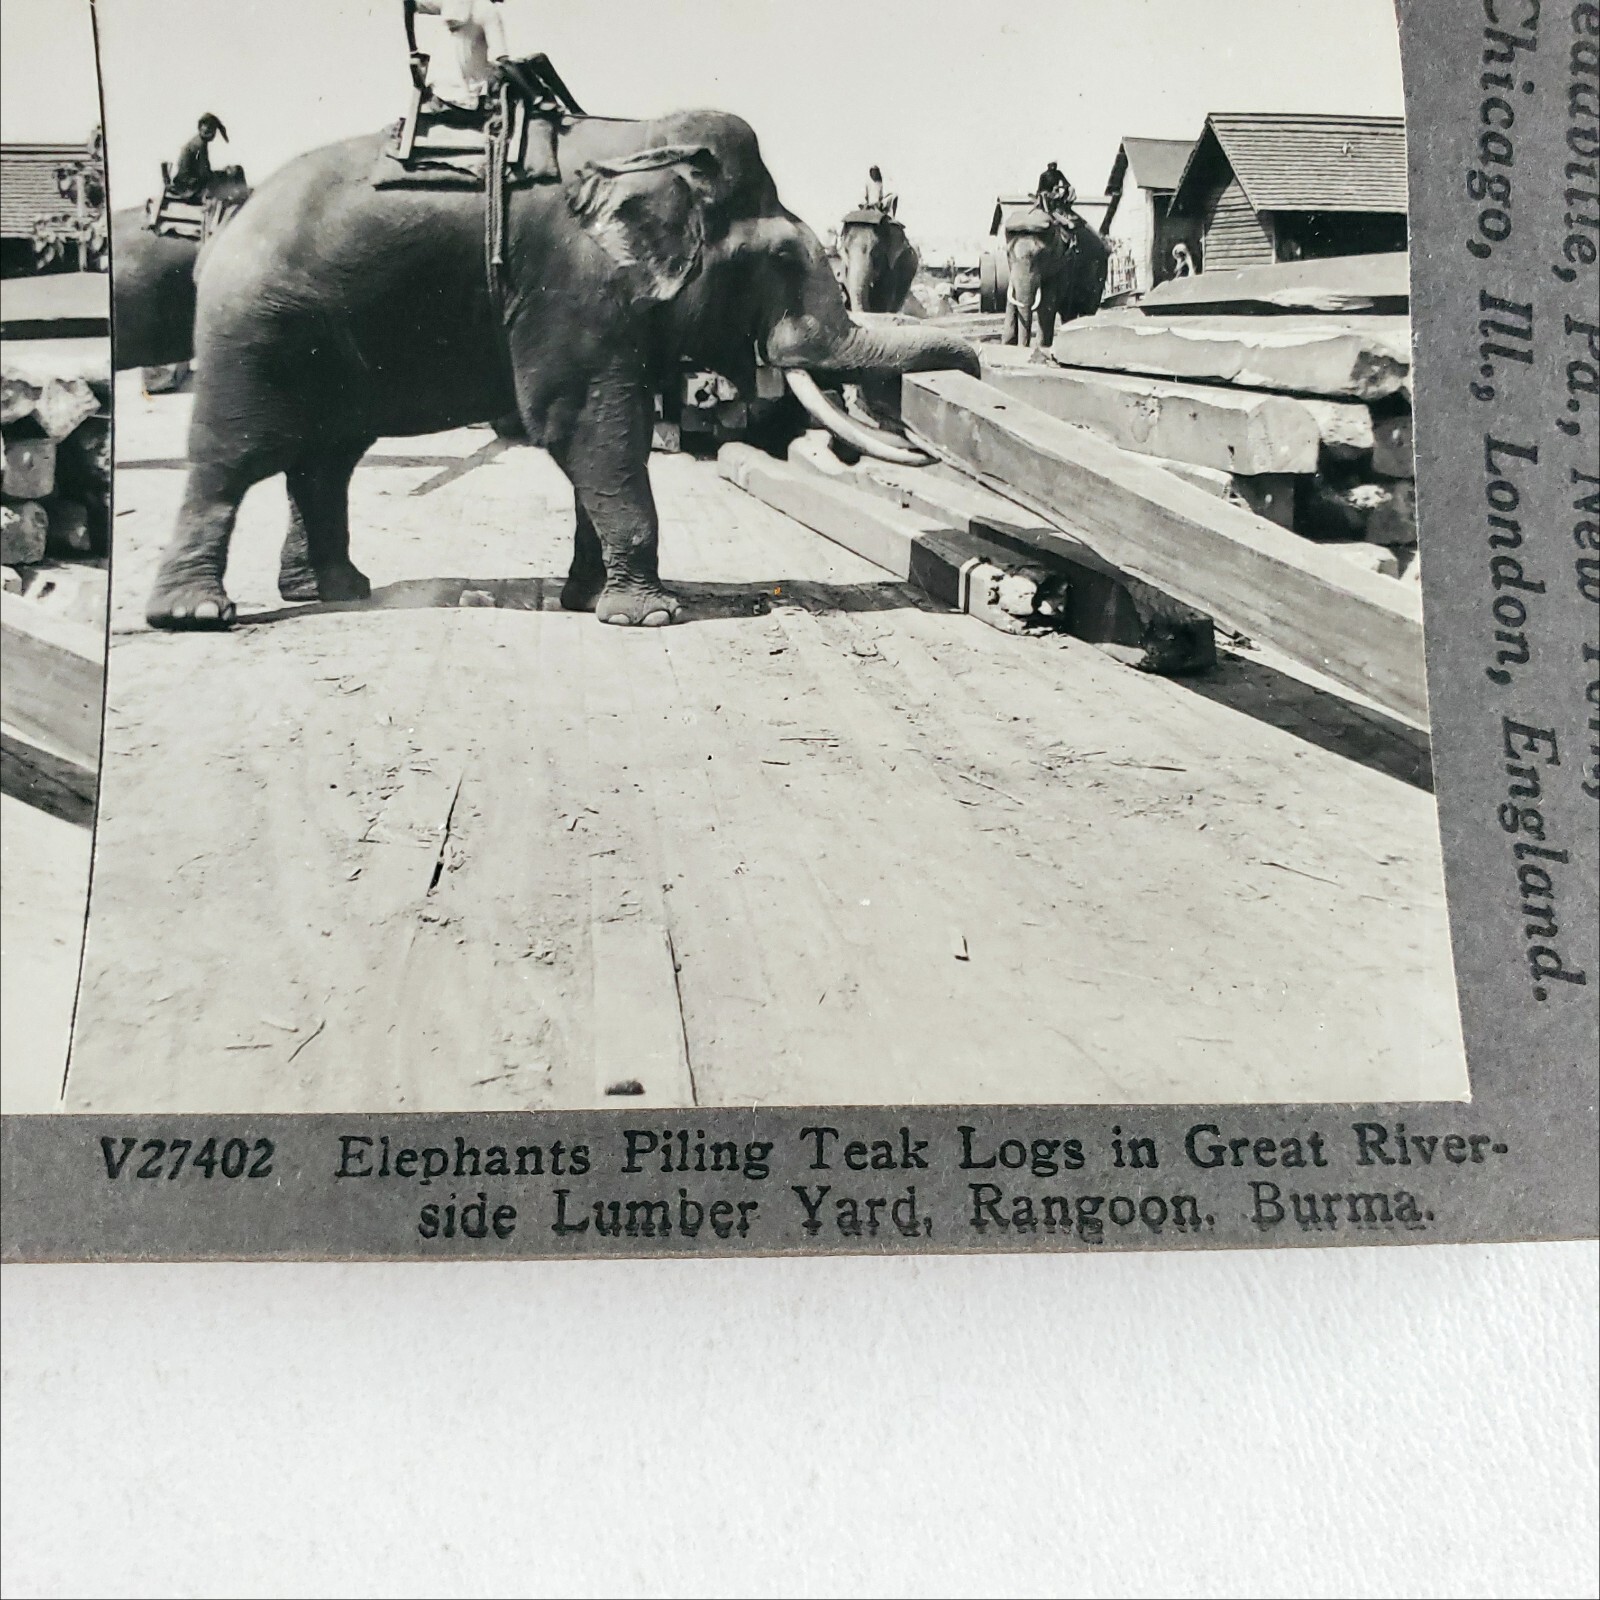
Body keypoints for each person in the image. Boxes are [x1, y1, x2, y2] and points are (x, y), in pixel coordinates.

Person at [404, 0, 511, 112]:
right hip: (468, 102)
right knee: (501, 78)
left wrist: (413, 51)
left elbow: (408, 2)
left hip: (437, 95)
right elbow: (503, 61)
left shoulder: (450, 2)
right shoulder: (488, 10)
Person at [168, 113, 227, 203]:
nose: (212, 134)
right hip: (189, 186)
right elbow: (204, 171)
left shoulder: (198, 141)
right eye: (210, 130)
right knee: (223, 177)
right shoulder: (199, 145)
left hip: (184, 183)